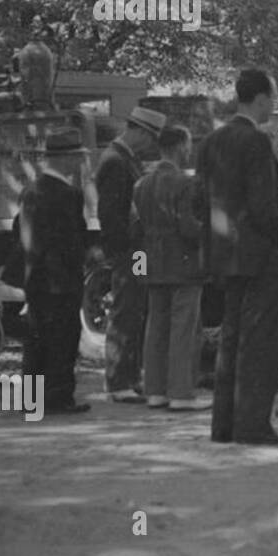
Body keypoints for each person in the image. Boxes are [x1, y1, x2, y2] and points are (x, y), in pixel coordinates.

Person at [197, 69, 278, 445]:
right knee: (261, 342)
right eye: (272, 98)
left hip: (223, 254)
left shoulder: (210, 142)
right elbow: (262, 205)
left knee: (230, 339)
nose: (273, 105)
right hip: (259, 255)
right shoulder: (254, 142)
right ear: (260, 99)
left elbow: (198, 200)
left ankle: (223, 425)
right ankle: (253, 424)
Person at [131, 125, 209, 411]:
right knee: (183, 329)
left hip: (153, 262)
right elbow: (188, 227)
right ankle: (180, 392)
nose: (189, 151)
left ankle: (155, 390)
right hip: (184, 263)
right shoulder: (184, 183)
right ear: (179, 147)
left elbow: (136, 228)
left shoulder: (141, 184)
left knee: (156, 327)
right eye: (187, 146)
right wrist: (210, 232)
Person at [14, 128, 90, 414]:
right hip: (61, 280)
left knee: (36, 340)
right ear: (67, 159)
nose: (79, 163)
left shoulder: (30, 191)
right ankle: (59, 397)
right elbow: (71, 240)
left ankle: (32, 399)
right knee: (63, 340)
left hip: (36, 277)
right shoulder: (68, 194)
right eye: (77, 157)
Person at [95, 105, 165, 403]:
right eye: (150, 138)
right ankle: (118, 380)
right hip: (129, 250)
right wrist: (121, 249)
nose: (151, 145)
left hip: (136, 250)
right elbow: (111, 213)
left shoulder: (125, 159)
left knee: (136, 307)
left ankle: (129, 375)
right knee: (126, 308)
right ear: (137, 131)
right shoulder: (115, 161)